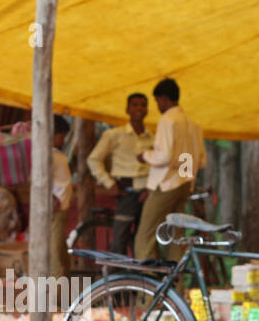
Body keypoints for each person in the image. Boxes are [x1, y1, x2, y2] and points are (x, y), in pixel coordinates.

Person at [136, 78, 206, 261]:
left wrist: (145, 156)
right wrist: (183, 173)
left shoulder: (168, 120)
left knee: (146, 236)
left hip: (165, 185)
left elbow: (165, 156)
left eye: (157, 101)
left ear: (164, 99)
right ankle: (176, 286)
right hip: (184, 184)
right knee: (176, 236)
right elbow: (200, 160)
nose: (157, 106)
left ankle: (148, 287)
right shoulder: (193, 125)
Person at [87, 93, 153, 256]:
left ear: (147, 110)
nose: (139, 108)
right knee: (119, 239)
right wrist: (109, 183)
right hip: (125, 191)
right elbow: (93, 159)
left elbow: (159, 167)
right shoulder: (114, 135)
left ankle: (143, 278)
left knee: (144, 239)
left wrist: (151, 188)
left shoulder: (153, 137)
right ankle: (117, 277)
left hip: (147, 192)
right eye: (135, 105)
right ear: (127, 110)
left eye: (143, 105)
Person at [49, 115, 73, 281]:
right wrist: (50, 197)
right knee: (56, 256)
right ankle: (55, 301)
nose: (63, 140)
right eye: (61, 136)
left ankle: (64, 296)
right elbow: (41, 179)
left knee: (61, 254)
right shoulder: (48, 154)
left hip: (61, 210)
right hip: (54, 211)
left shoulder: (58, 155)